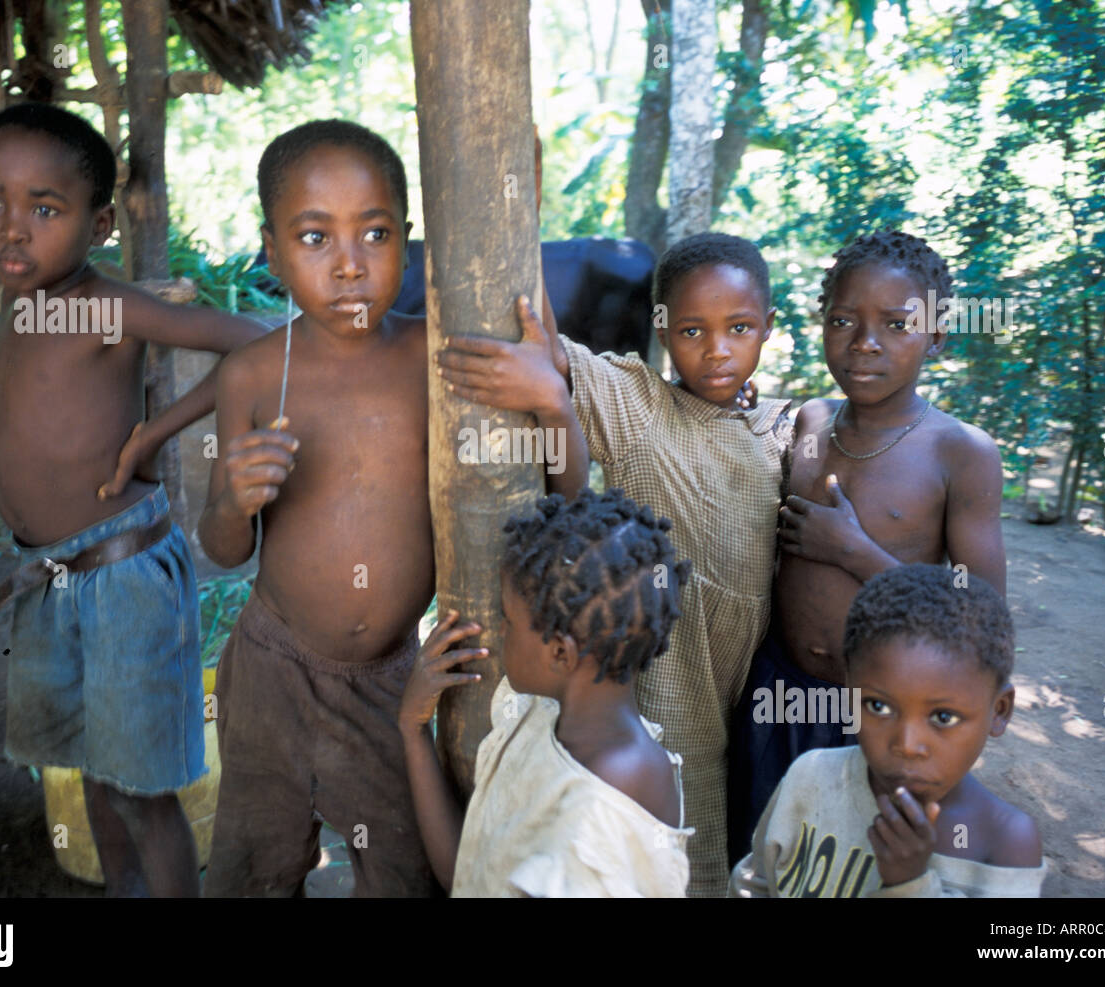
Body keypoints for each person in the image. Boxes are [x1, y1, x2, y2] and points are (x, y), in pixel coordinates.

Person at [437, 232, 789, 896]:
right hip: (657, 691)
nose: (716, 349)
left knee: (711, 847)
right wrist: (550, 396)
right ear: (661, 328)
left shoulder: (779, 430)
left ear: (768, 328)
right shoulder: (643, 404)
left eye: (738, 328)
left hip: (738, 706)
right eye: (691, 330)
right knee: (645, 850)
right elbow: (542, 342)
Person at [0, 102, 265, 896]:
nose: (10, 229)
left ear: (99, 224)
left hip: (121, 577)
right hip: (50, 575)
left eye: (44, 207)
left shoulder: (105, 305)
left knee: (141, 786)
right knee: (93, 772)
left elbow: (253, 341)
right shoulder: (19, 297)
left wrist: (155, 430)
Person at [198, 120, 441, 897]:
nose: (348, 266)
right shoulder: (253, 374)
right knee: (254, 865)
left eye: (374, 233)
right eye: (314, 237)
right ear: (271, 251)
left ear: (407, 239)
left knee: (406, 872)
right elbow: (223, 546)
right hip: (271, 670)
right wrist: (237, 500)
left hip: (391, 681)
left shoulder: (431, 359)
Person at [727, 230, 1007, 861]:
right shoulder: (809, 421)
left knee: (856, 859)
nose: (864, 343)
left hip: (879, 711)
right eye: (843, 320)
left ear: (937, 336)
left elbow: (982, 608)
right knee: (764, 844)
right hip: (777, 687)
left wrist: (851, 549)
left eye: (896, 324)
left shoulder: (959, 452)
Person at [400, 488, 694, 897]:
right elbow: (468, 874)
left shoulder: (608, 805)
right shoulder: (544, 720)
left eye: (508, 621)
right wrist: (413, 731)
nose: (500, 632)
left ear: (560, 652)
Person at [731, 563, 1045, 897]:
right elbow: (754, 884)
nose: (907, 745)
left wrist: (909, 883)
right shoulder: (809, 777)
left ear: (999, 711)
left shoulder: (1006, 841)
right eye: (878, 707)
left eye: (943, 717)